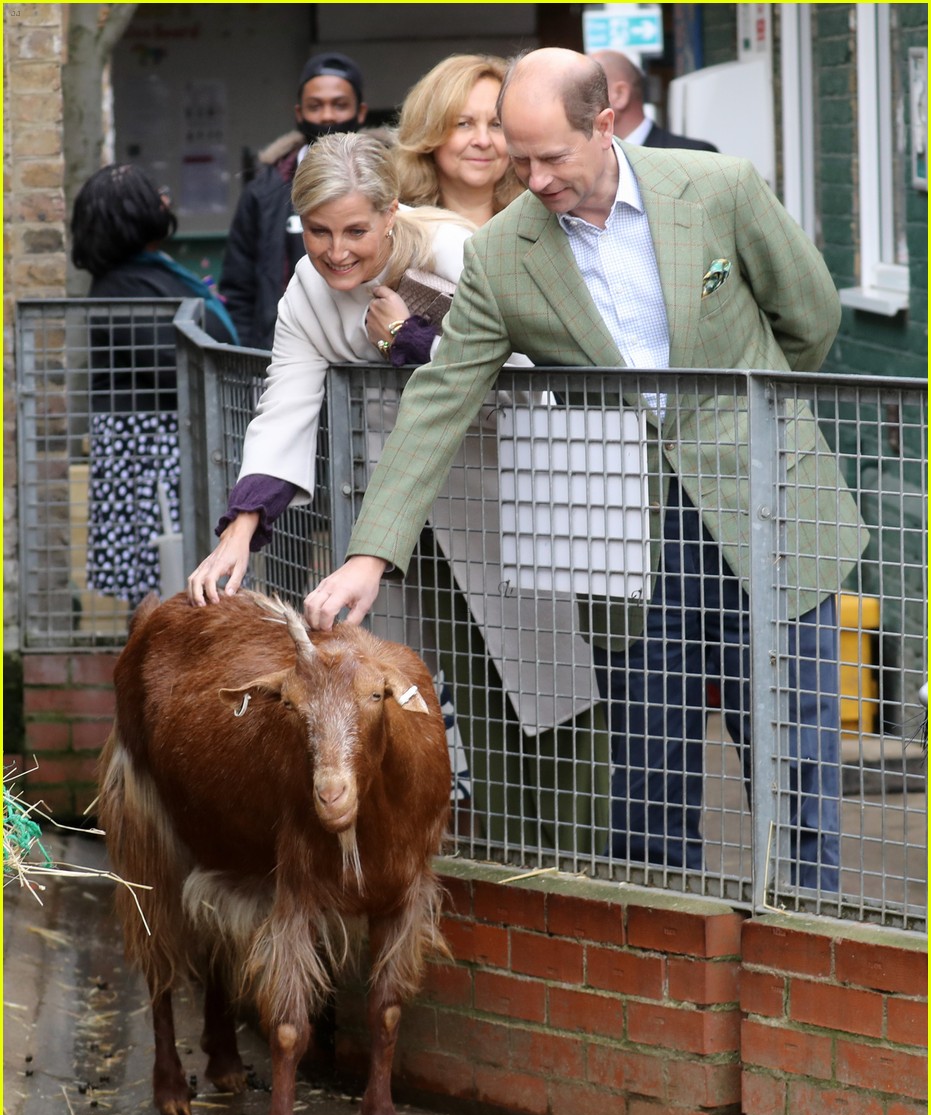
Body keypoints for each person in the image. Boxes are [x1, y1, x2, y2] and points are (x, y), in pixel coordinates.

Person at [304, 48, 865, 889]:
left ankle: (810, 939)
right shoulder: (502, 254)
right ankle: (661, 967)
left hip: (770, 505)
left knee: (794, 753)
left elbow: (810, 323)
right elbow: (440, 401)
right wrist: (368, 553)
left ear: (603, 122)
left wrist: (746, 426)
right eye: (518, 160)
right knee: (647, 764)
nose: (530, 178)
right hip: (623, 535)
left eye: (549, 156)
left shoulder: (718, 188)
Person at [187, 130, 473, 607]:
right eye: (319, 231)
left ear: (390, 213)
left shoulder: (453, 252)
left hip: (492, 489)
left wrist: (408, 339)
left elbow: (516, 378)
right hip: (388, 501)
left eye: (356, 231)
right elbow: (285, 407)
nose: (337, 253)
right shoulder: (306, 287)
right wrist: (241, 525)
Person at [70, 163, 238, 606]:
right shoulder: (120, 286)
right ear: (132, 213)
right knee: (157, 577)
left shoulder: (148, 270)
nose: (165, 197)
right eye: (154, 192)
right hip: (146, 447)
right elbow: (171, 364)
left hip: (164, 440)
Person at [219, 52, 368, 350]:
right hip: (279, 353)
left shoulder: (391, 183)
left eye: (340, 105)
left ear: (361, 112)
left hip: (364, 356)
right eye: (315, 106)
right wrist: (250, 357)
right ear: (299, 113)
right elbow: (239, 291)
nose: (327, 116)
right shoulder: (263, 192)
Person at [393, 53, 523, 225]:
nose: (483, 141)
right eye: (464, 124)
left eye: (496, 125)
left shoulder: (539, 224)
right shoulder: (396, 228)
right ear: (429, 132)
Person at [590, 48, 719, 152]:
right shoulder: (589, 162)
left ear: (620, 94)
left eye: (586, 89)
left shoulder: (694, 156)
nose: (575, 101)